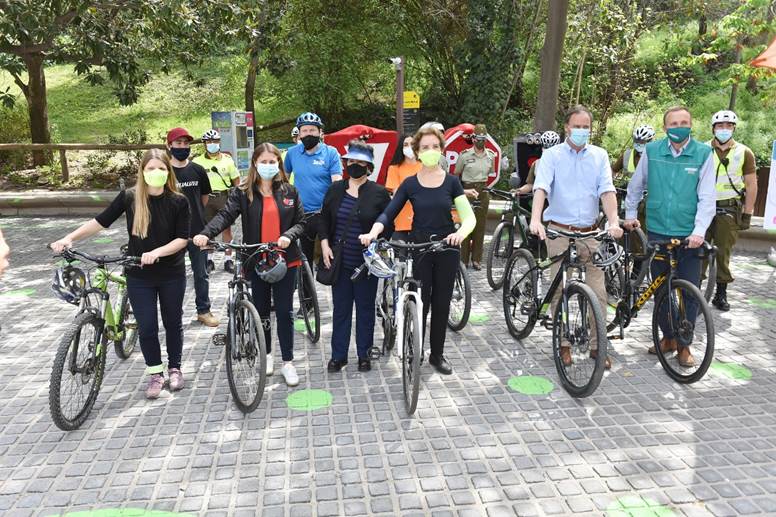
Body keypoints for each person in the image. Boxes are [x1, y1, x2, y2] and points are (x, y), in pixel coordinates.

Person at [50, 149, 191, 399]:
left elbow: (182, 239)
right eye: (150, 168)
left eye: (161, 168)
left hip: (171, 273)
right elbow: (100, 221)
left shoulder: (178, 201)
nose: (155, 173)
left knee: (172, 323)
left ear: (168, 171)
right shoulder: (129, 197)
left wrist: (157, 252)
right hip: (138, 275)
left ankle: (175, 368)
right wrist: (68, 238)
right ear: (142, 171)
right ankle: (155, 374)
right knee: (146, 327)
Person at [360, 127, 476, 375]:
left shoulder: (452, 182)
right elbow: (389, 212)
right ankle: (416, 350)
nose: (431, 151)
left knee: (442, 303)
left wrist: (459, 234)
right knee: (420, 302)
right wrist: (373, 231)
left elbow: (469, 219)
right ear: (417, 152)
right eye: (425, 147)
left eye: (435, 146)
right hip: (419, 247)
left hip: (448, 247)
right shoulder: (410, 184)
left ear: (442, 149)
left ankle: (437, 354)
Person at [194, 143, 305, 386]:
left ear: (278, 163)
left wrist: (289, 236)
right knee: (262, 311)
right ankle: (266, 355)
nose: (268, 166)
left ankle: (288, 361)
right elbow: (225, 216)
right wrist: (206, 233)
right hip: (256, 260)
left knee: (285, 312)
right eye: (263, 161)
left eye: (272, 161)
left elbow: (301, 221)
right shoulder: (242, 192)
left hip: (286, 260)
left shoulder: (289, 191)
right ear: (255, 163)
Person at [529, 105, 622, 370]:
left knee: (599, 292)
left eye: (586, 127)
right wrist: (536, 220)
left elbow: (607, 190)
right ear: (566, 128)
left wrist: (613, 221)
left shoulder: (600, 155)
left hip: (590, 233)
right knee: (560, 288)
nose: (581, 131)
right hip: (558, 231)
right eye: (576, 126)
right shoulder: (553, 155)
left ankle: (597, 346)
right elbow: (541, 188)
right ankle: (563, 344)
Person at [624, 106, 716, 367]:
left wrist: (699, 232)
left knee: (689, 290)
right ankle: (668, 337)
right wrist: (631, 215)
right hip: (657, 230)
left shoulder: (703, 153)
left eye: (684, 122)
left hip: (689, 234)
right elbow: (636, 186)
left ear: (691, 124)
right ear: (665, 128)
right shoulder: (652, 151)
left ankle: (685, 344)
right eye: (674, 123)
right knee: (660, 288)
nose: (679, 126)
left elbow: (707, 197)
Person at [319, 141, 392, 372]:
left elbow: (387, 225)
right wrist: (324, 245)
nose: (355, 166)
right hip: (339, 260)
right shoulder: (335, 190)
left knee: (365, 309)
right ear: (345, 163)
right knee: (340, 309)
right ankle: (338, 355)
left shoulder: (379, 193)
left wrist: (374, 239)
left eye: (361, 163)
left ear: (369, 167)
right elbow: (323, 220)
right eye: (351, 162)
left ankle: (364, 353)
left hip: (366, 264)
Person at [703, 110, 758, 311]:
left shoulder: (744, 152)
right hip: (703, 207)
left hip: (729, 209)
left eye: (728, 126)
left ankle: (721, 293)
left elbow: (751, 185)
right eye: (720, 126)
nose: (724, 130)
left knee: (722, 252)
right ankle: (693, 292)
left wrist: (748, 213)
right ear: (713, 128)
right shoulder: (702, 149)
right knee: (697, 250)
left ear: (734, 128)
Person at [167, 127, 219, 327]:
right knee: (174, 276)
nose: (183, 147)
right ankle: (174, 314)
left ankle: (203, 311)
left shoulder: (198, 169)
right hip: (171, 234)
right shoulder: (165, 171)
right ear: (169, 145)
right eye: (178, 143)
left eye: (186, 143)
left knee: (201, 274)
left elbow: (203, 199)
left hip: (197, 231)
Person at [283, 112, 343, 267]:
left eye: (312, 130)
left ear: (320, 132)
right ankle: (306, 289)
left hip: (324, 213)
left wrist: (331, 208)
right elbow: (283, 181)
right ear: (299, 133)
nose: (308, 134)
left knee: (328, 258)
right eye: (305, 130)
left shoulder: (331, 153)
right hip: (302, 214)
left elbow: (337, 184)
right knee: (304, 261)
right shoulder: (291, 153)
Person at [192, 129, 241, 273]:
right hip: (205, 198)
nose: (212, 144)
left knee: (227, 229)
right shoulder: (197, 161)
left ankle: (228, 260)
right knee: (208, 229)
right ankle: (210, 260)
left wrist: (238, 198)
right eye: (208, 142)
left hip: (223, 197)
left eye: (214, 141)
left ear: (219, 142)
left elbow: (236, 180)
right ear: (204, 144)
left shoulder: (227, 159)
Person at [456, 124, 496, 270]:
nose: (481, 141)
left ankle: (477, 259)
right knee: (466, 225)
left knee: (480, 227)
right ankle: (463, 260)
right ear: (473, 139)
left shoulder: (490, 155)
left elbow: (490, 173)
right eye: (478, 138)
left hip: (483, 191)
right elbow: (456, 173)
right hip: (467, 190)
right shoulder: (465, 155)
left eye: (483, 139)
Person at [385, 133, 422, 241]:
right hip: (401, 222)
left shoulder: (425, 166)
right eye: (405, 144)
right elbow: (398, 195)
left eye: (412, 144)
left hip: (423, 221)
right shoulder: (394, 168)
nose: (409, 147)